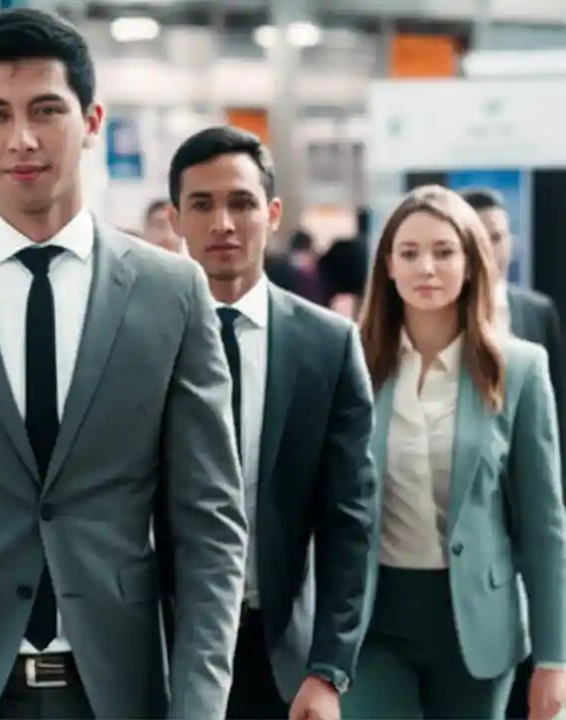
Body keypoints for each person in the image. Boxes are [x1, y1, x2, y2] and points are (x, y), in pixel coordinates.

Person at [0, 9, 248, 719]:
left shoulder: (172, 292)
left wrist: (200, 707)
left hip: (113, 689)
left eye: (46, 110)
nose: (21, 138)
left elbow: (209, 529)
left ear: (91, 121)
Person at [168, 126, 378, 719]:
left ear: (273, 213)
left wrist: (329, 668)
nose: (223, 224)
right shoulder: (138, 338)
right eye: (202, 205)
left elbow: (350, 519)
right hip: (164, 645)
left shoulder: (328, 345)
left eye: (241, 202)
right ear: (176, 219)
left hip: (280, 651)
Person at [342, 185, 566, 720]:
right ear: (388, 266)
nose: (426, 267)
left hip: (478, 627)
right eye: (409, 252)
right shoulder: (350, 363)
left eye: (444, 251)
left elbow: (544, 526)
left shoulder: (520, 369)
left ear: (470, 264)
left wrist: (554, 658)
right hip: (370, 621)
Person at [461, 187, 566, 720]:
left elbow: (555, 413)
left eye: (497, 236)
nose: (490, 247)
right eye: (478, 237)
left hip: (527, 492)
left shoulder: (534, 311)